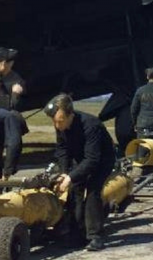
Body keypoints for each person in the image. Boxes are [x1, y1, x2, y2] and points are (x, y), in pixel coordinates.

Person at [47, 94, 115, 252]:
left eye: (60, 120)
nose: (57, 125)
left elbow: (92, 159)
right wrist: (64, 173)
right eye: (54, 121)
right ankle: (77, 233)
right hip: (81, 159)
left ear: (70, 114)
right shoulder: (61, 124)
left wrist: (71, 176)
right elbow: (62, 149)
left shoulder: (91, 125)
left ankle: (95, 236)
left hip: (101, 161)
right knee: (74, 191)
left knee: (92, 191)